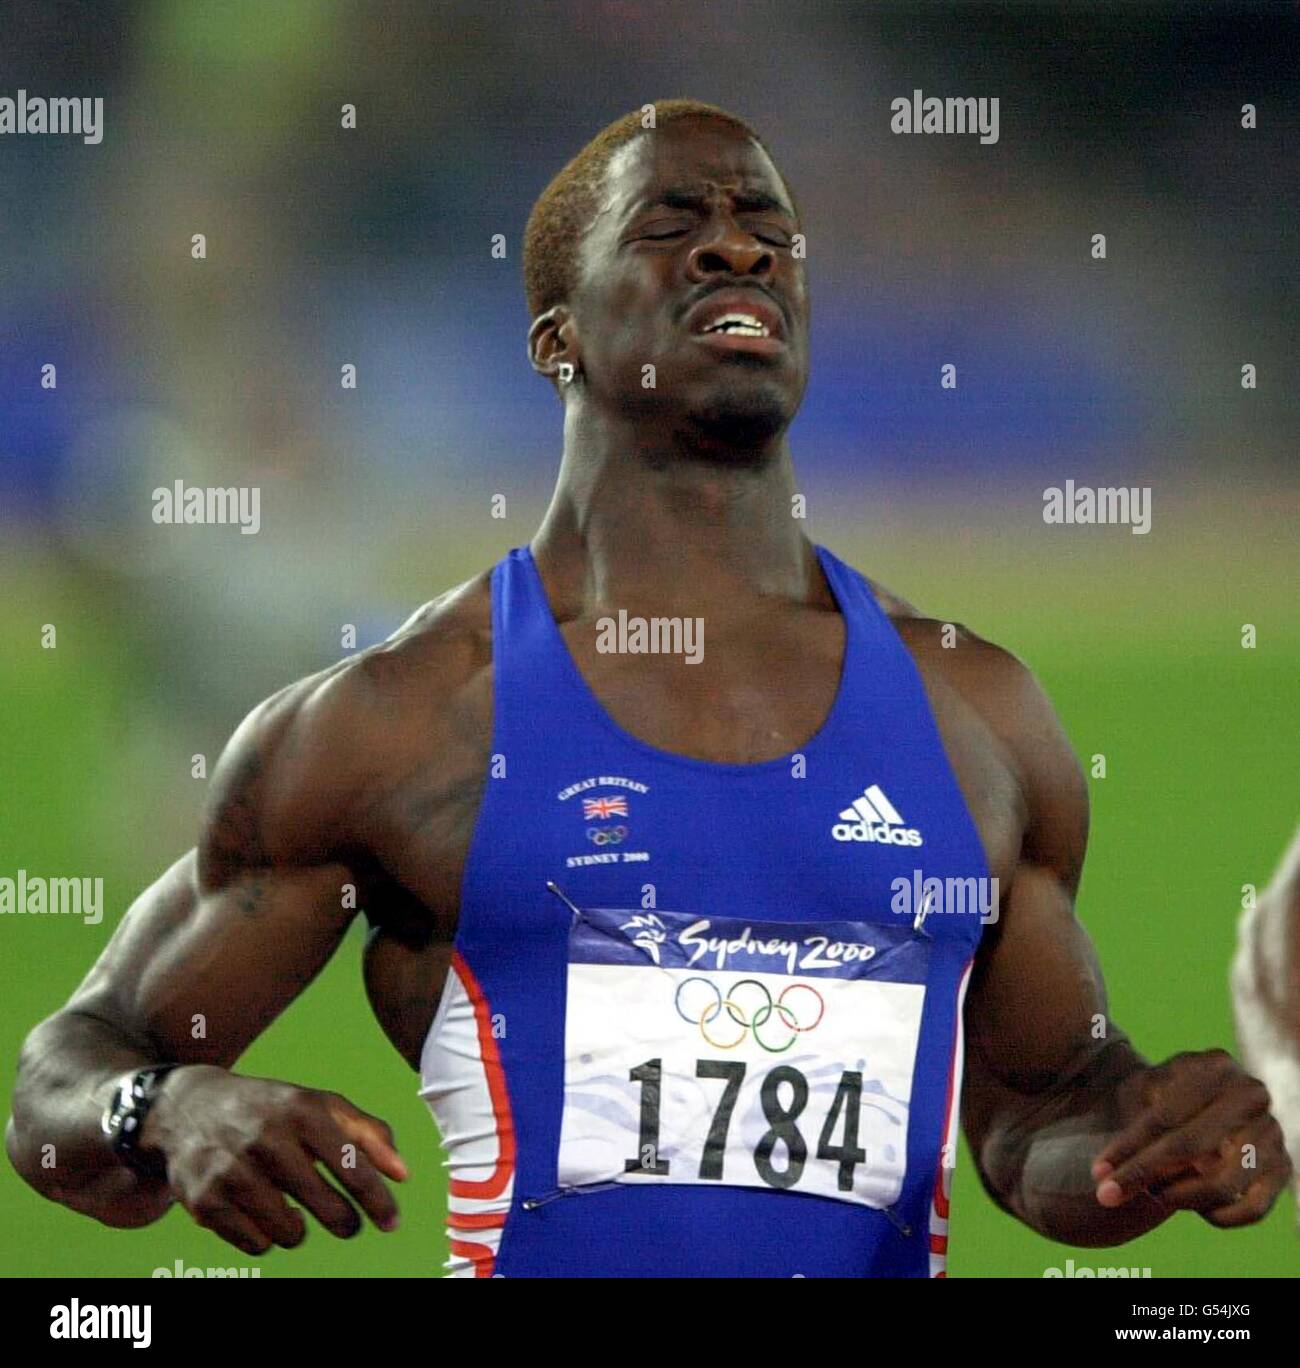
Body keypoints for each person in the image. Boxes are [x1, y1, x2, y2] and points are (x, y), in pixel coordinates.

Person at [7, 100, 1290, 1277]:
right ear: (556, 337)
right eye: (672, 227)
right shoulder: (403, 723)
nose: (737, 251)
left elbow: (1038, 1127)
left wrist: (1158, 1143)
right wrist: (164, 1106)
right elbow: (61, 1089)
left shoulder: (979, 719)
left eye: (767, 233)